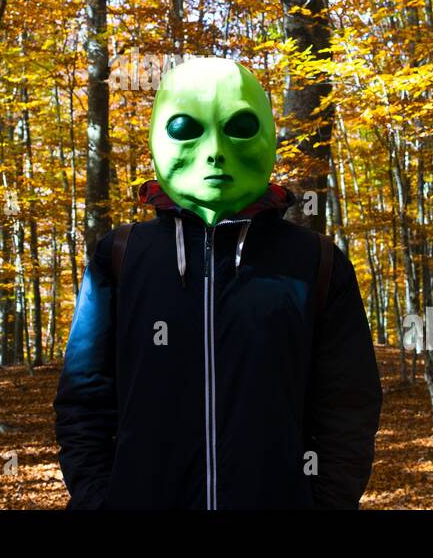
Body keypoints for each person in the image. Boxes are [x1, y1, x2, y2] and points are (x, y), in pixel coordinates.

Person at [53, 56, 382, 509]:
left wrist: (323, 502)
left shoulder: (315, 262)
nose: (214, 151)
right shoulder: (121, 256)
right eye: (186, 128)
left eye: (239, 127)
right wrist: (100, 499)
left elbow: (348, 404)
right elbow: (84, 395)